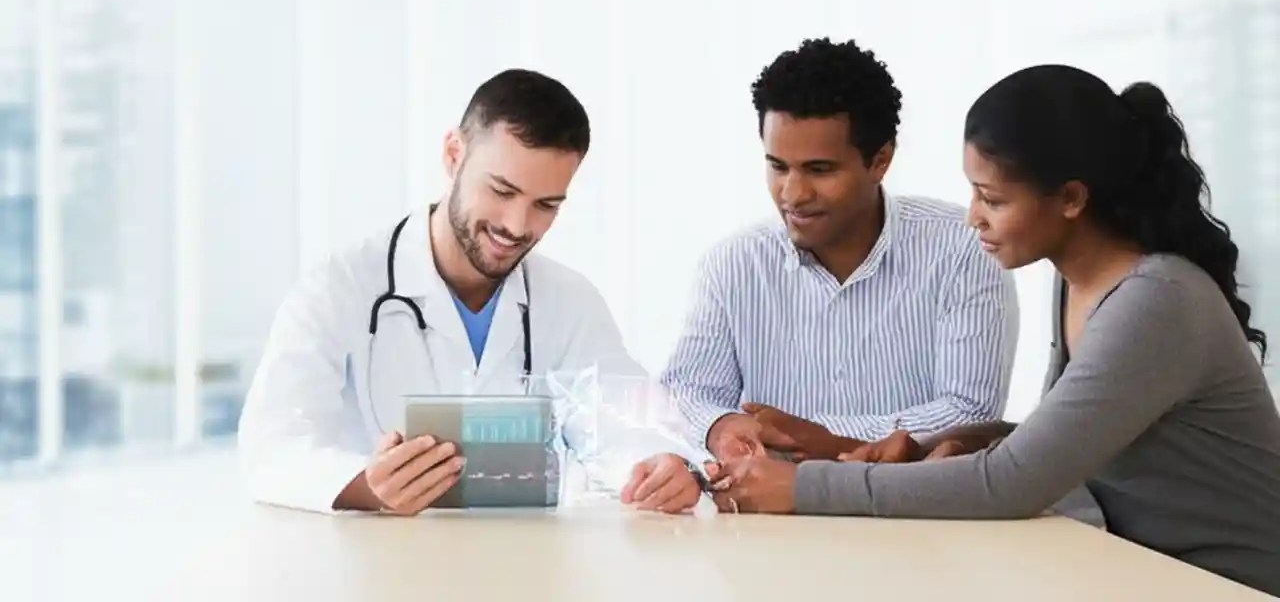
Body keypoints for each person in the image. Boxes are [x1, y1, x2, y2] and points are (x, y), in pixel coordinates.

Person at [707, 64, 1280, 596]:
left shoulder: (1155, 303)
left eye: (992, 198)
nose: (972, 217)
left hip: (1222, 586)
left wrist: (801, 489)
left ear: (1072, 199)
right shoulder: (1083, 283)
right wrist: (928, 447)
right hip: (1134, 571)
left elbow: (1011, 482)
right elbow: (1060, 437)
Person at [239, 69, 703, 516]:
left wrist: (663, 464)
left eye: (545, 205)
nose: (517, 226)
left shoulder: (569, 302)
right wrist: (368, 484)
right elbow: (272, 445)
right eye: (502, 191)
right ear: (454, 154)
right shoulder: (337, 290)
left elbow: (631, 420)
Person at [660, 37, 1017, 463]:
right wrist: (720, 427)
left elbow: (969, 411)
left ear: (880, 161)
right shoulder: (732, 264)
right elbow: (687, 394)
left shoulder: (964, 248)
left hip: (913, 519)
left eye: (819, 170)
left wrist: (819, 436)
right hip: (767, 521)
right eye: (777, 166)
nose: (792, 194)